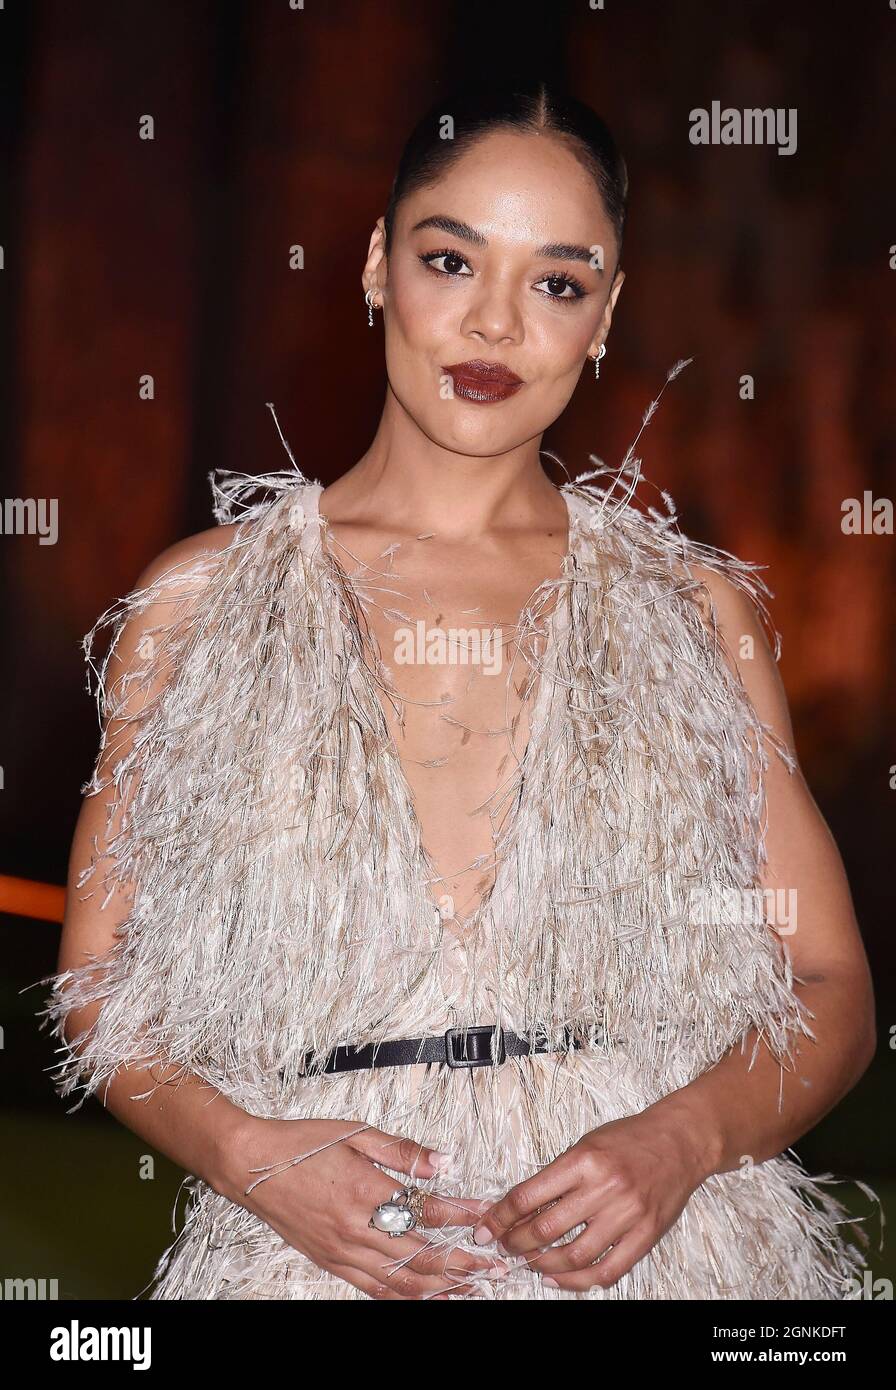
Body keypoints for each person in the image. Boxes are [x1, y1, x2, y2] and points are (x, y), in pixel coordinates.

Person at [39, 79, 878, 1300]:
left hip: (663, 1257)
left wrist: (680, 1141)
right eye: (450, 259)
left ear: (604, 315)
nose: (493, 324)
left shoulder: (691, 613)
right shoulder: (199, 606)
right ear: (378, 264)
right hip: (313, 1255)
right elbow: (98, 982)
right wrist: (250, 1156)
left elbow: (832, 985)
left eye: (554, 281)